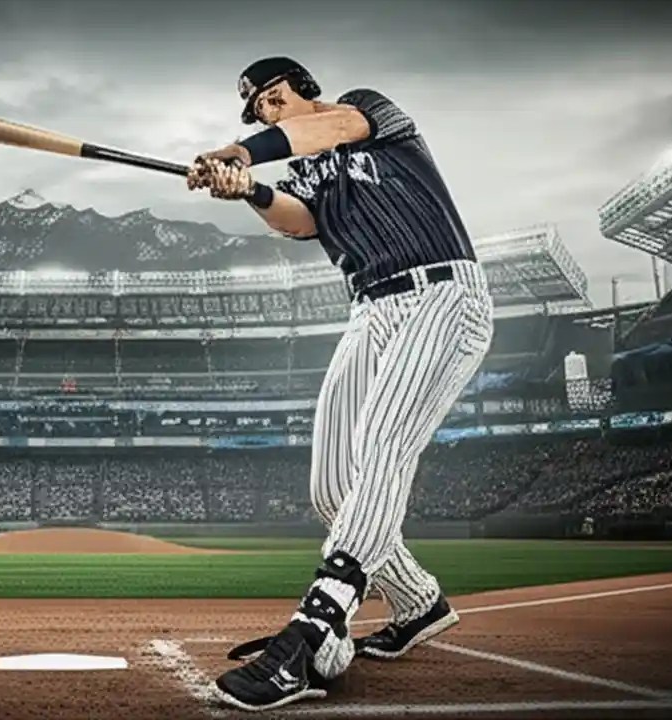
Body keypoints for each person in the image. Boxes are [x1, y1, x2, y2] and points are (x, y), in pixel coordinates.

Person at [188, 57, 494, 710]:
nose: (269, 110)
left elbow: (326, 132)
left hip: (439, 293)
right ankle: (417, 602)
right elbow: (304, 222)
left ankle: (314, 631)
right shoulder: (304, 166)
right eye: (257, 109)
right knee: (331, 487)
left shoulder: (366, 111)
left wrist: (237, 152)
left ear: (304, 87)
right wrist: (245, 187)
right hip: (370, 308)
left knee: (383, 445)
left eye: (274, 97)